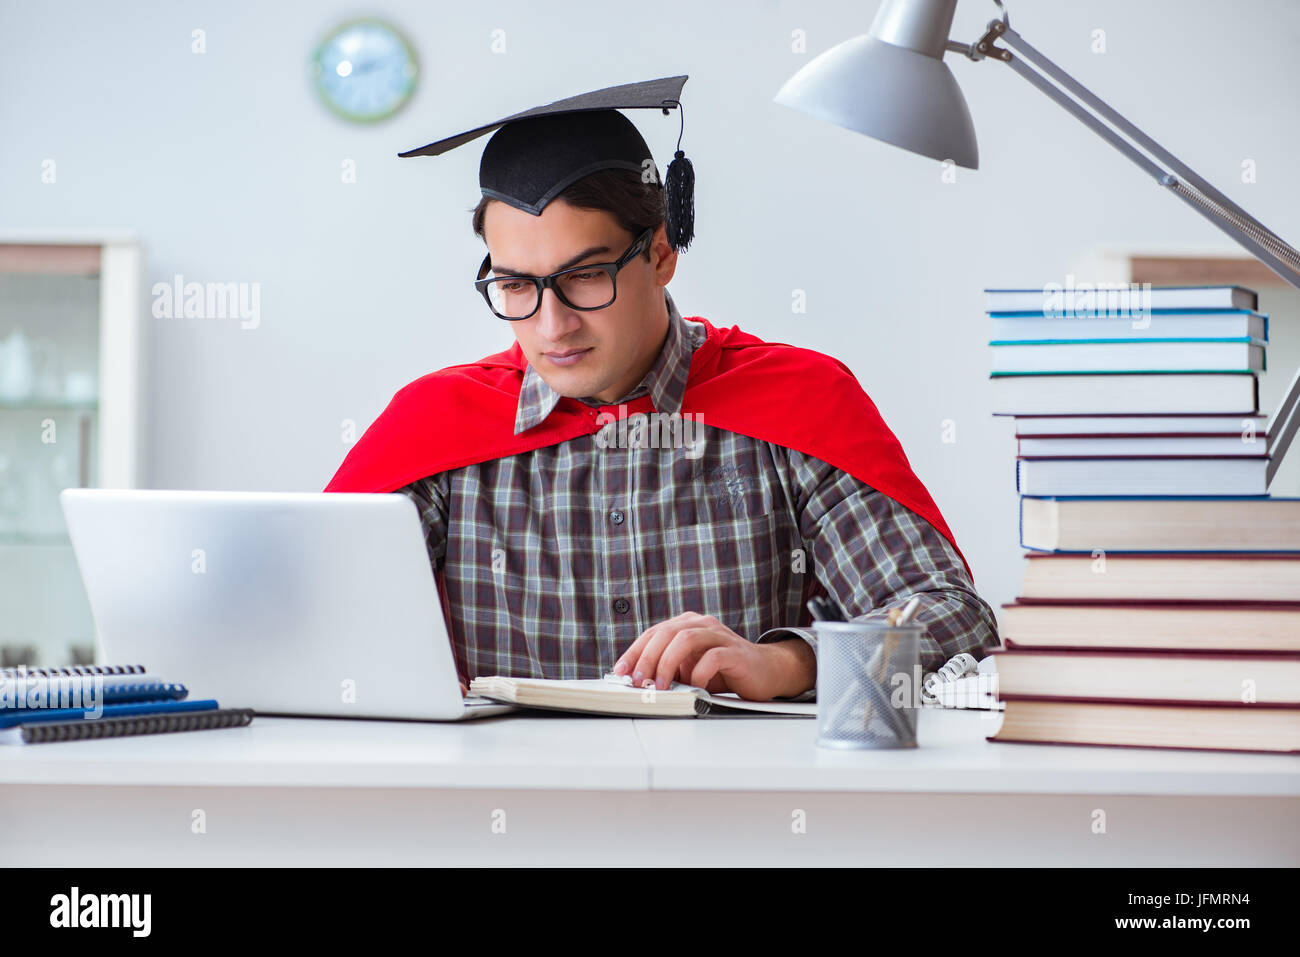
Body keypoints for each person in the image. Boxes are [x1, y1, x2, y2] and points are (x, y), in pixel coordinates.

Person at [324, 76, 1000, 702]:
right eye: (516, 285)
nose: (552, 324)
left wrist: (793, 662)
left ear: (661, 254)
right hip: (502, 813)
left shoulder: (797, 401)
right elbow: (304, 615)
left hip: (741, 811)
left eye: (585, 276)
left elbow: (952, 620)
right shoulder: (438, 427)